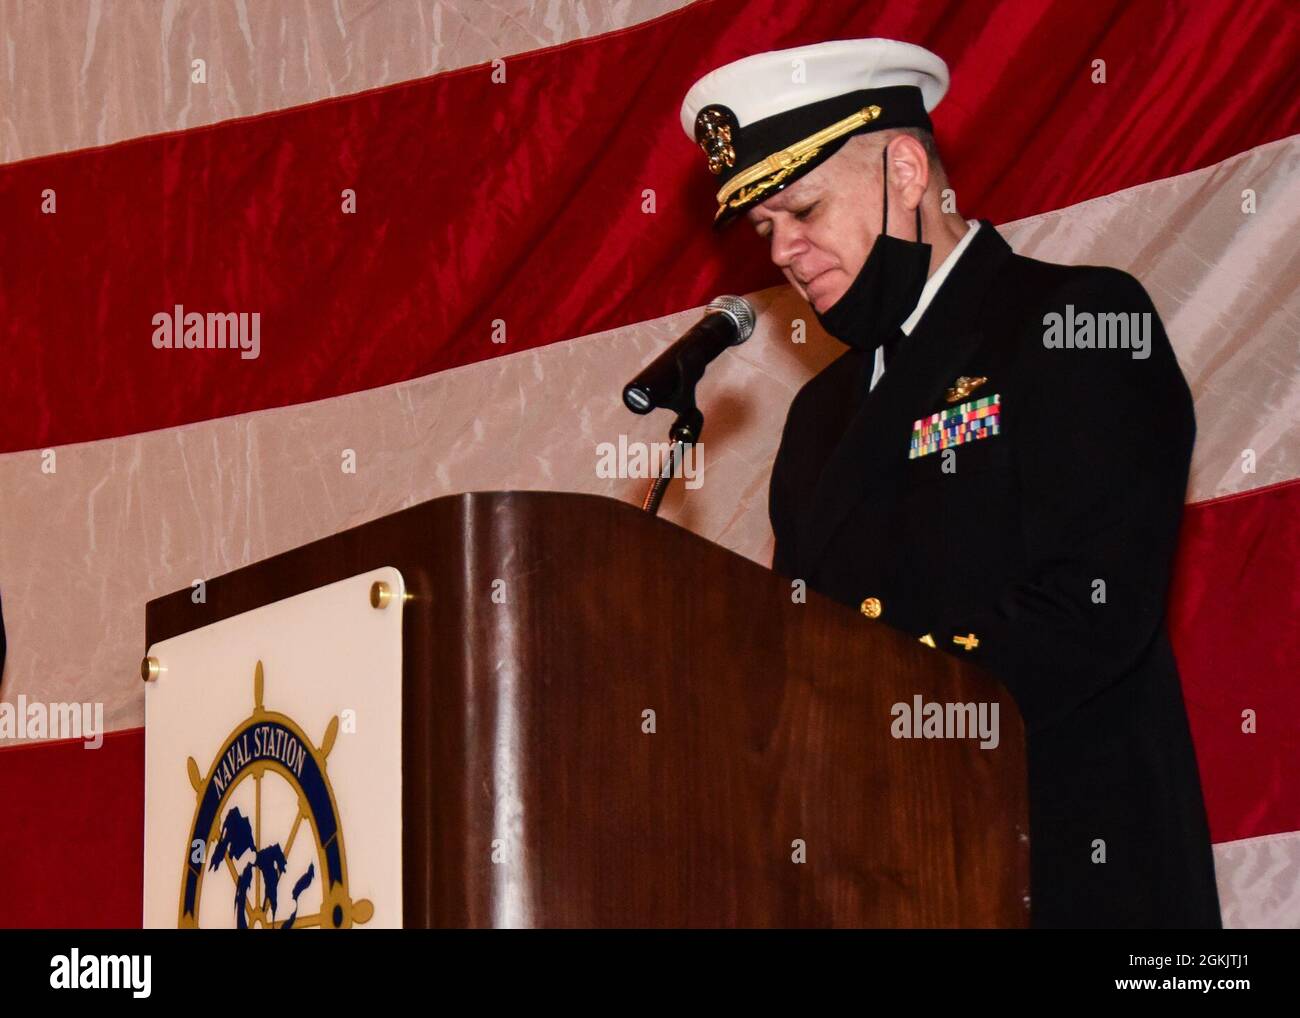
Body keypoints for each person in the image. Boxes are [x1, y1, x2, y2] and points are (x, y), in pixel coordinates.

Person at [679, 38, 1221, 928]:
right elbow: (803, 650)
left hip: (1067, 878)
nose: (783, 249)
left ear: (905, 169)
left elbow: (1088, 611)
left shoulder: (1077, 322)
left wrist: (874, 733)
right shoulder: (819, 418)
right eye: (765, 228)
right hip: (885, 886)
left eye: (803, 207)